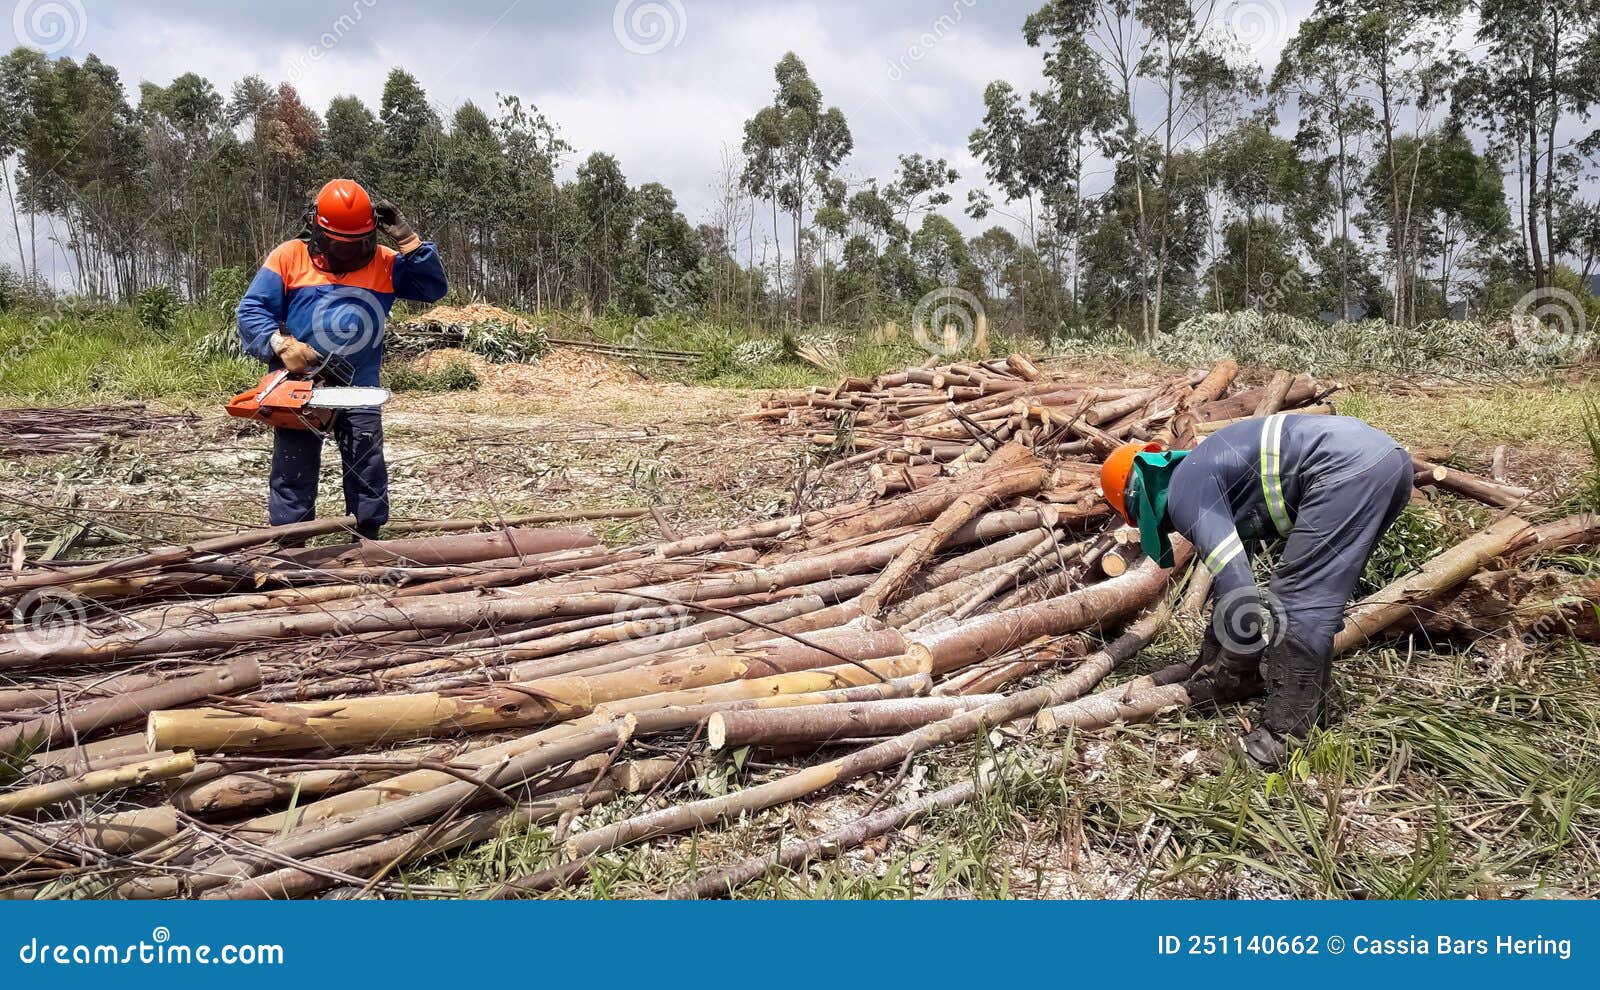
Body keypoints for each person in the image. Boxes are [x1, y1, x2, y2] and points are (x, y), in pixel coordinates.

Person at [1100, 414, 1413, 768]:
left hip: (1345, 468)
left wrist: (1235, 668)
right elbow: (1229, 581)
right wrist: (1211, 655)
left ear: (1139, 503)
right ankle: (1310, 711)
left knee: (1298, 598)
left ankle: (1282, 739)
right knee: (1315, 603)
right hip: (1388, 462)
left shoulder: (1186, 491)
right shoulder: (1213, 474)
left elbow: (1241, 588)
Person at [236, 179, 448, 539]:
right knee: (294, 469)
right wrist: (283, 345)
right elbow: (252, 310)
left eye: (356, 245)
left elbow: (432, 288)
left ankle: (368, 539)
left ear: (371, 235)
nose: (348, 252)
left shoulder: (385, 262)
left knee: (367, 466)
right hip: (300, 386)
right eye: (338, 244)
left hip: (358, 384)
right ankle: (292, 545)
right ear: (317, 230)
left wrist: (410, 241)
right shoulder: (290, 256)